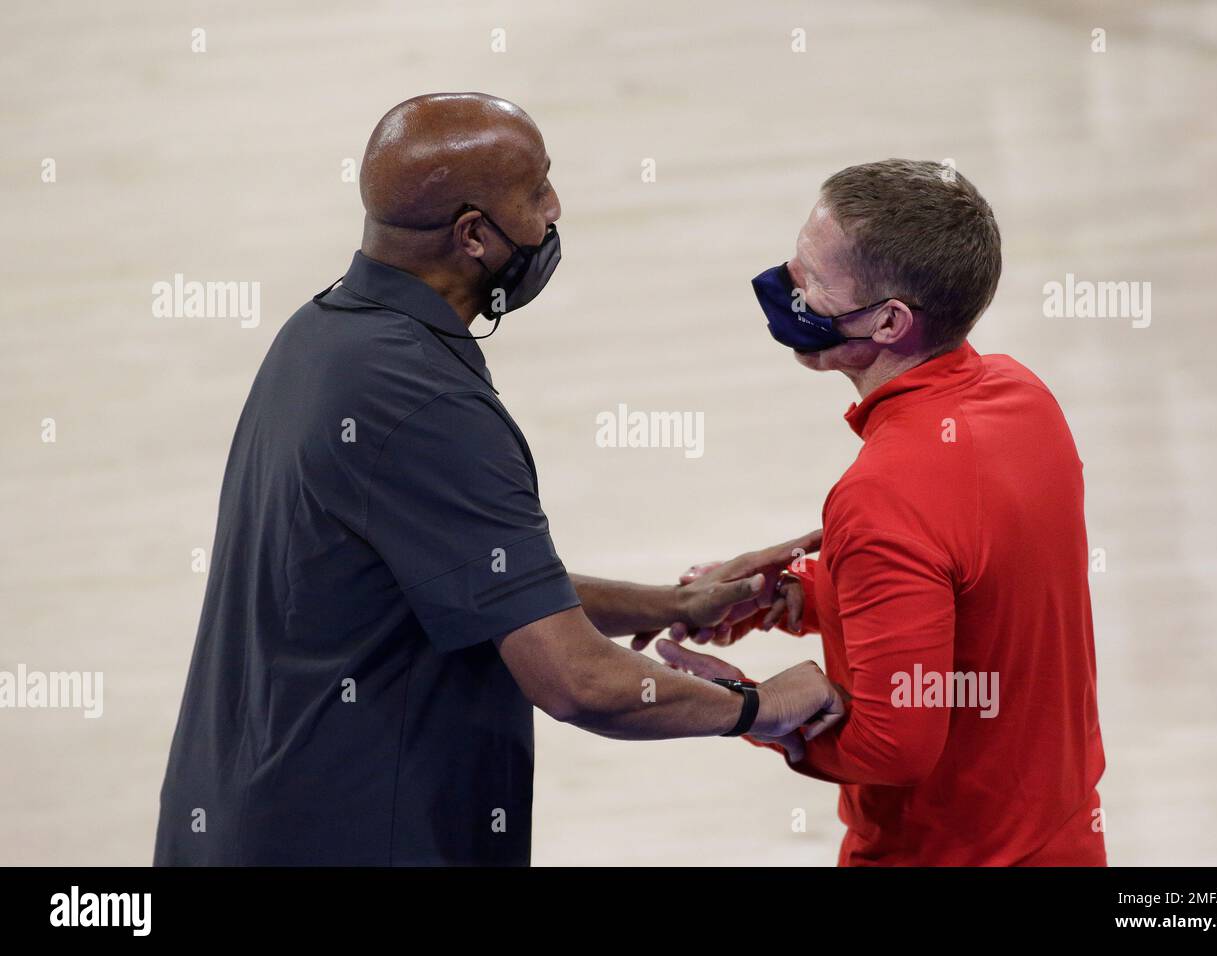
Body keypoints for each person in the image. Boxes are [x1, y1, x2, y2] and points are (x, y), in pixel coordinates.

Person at [152, 92, 842, 866]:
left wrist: (678, 604)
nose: (555, 209)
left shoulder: (322, 337)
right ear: (473, 234)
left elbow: (469, 577)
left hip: (247, 813)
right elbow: (575, 680)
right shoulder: (424, 401)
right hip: (357, 833)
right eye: (537, 190)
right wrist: (759, 705)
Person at [657, 160, 1107, 866]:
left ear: (890, 321)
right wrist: (798, 596)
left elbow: (894, 746)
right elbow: (968, 584)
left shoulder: (881, 494)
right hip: (1062, 839)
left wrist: (742, 704)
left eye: (811, 278)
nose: (787, 284)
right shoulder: (1025, 400)